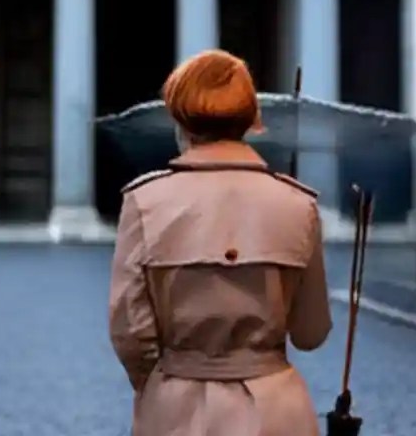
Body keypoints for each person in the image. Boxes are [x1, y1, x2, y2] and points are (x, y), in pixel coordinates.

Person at [108, 49, 333, 436]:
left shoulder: (144, 202)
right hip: (278, 412)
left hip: (177, 408)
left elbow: (130, 331)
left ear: (181, 121)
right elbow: (311, 333)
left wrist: (162, 385)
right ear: (249, 121)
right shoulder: (299, 205)